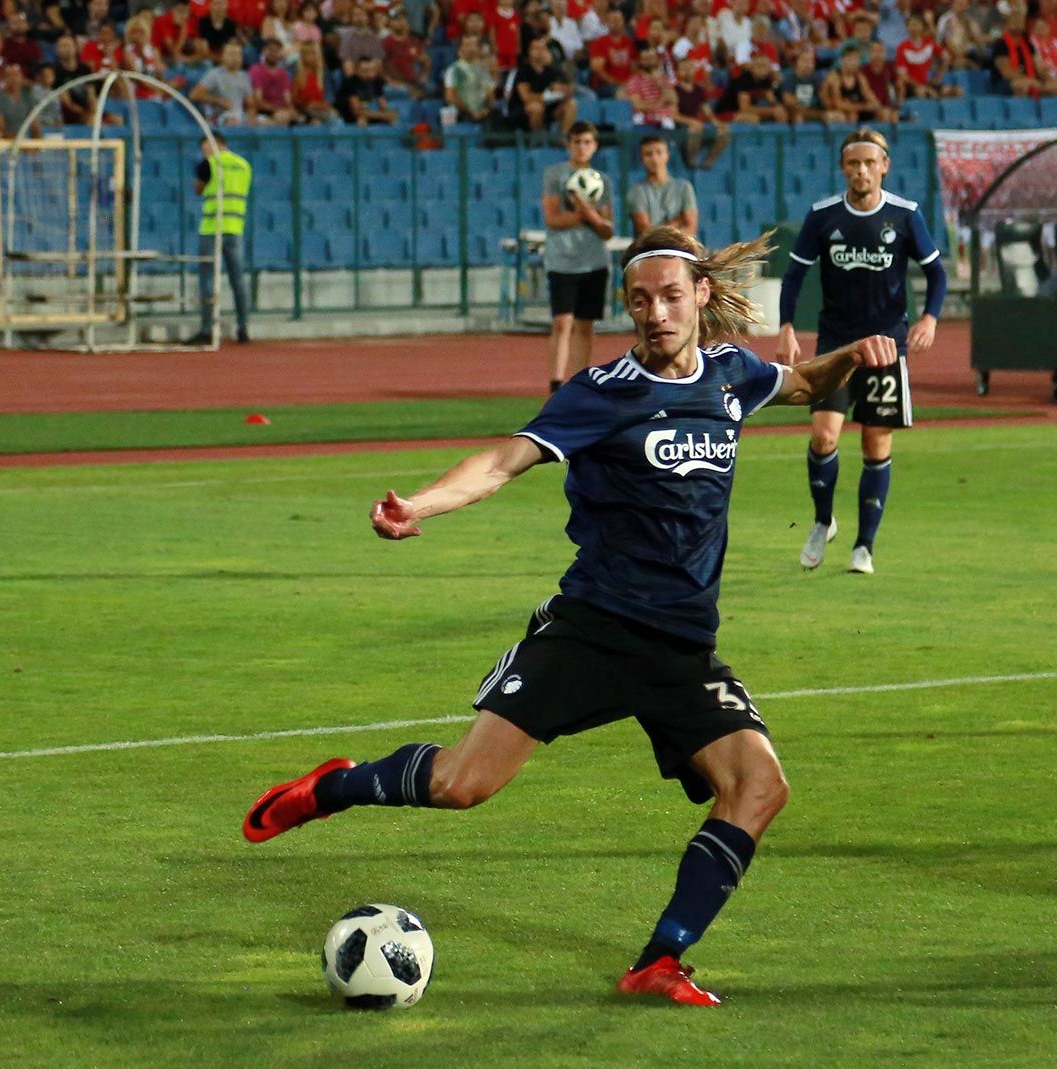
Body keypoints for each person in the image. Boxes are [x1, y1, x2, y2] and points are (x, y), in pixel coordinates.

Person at [241, 226, 904, 1009]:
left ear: (699, 296)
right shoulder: (601, 391)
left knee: (759, 787)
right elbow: (500, 462)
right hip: (592, 630)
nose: (654, 313)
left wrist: (853, 357)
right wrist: (419, 504)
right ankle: (336, 788)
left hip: (682, 650)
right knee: (461, 786)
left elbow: (797, 385)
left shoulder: (731, 375)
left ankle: (661, 960)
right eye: (639, 300)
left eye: (668, 296)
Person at [776, 127, 947, 575]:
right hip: (836, 343)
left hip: (888, 344)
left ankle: (864, 546)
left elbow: (937, 274)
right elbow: (793, 276)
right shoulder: (823, 216)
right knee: (823, 436)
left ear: (884, 166)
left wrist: (929, 318)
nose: (862, 171)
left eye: (870, 163)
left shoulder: (906, 215)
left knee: (876, 441)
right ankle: (822, 520)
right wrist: (788, 327)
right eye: (854, 163)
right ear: (843, 168)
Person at [541, 120, 613, 395]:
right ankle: (557, 383)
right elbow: (552, 218)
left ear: (594, 146)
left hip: (593, 260)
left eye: (587, 142)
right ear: (568, 144)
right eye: (576, 142)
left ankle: (580, 383)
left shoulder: (603, 181)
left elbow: (607, 228)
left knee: (585, 325)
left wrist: (589, 214)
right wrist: (584, 215)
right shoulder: (555, 174)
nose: (581, 147)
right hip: (562, 260)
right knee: (562, 322)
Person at [189, 136, 252, 345]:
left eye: (204, 145)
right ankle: (243, 327)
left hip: (211, 227)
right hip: (235, 227)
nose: (204, 151)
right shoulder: (243, 165)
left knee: (207, 277)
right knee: (238, 279)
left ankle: (207, 328)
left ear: (213, 143)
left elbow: (198, 189)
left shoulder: (209, 164)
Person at [627, 134, 698, 238]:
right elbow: (646, 231)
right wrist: (676, 221)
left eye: (659, 152)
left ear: (667, 155)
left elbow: (691, 229)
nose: (654, 158)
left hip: (681, 249)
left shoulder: (684, 187)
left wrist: (660, 231)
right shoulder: (636, 191)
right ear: (642, 158)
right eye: (648, 154)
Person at [191, 40, 257, 125]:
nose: (235, 58)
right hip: (217, 117)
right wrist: (218, 100)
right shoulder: (214, 74)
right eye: (232, 54)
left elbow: (250, 104)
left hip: (239, 116)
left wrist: (252, 117)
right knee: (233, 123)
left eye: (238, 54)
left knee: (271, 122)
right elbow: (194, 95)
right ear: (223, 56)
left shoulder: (244, 76)